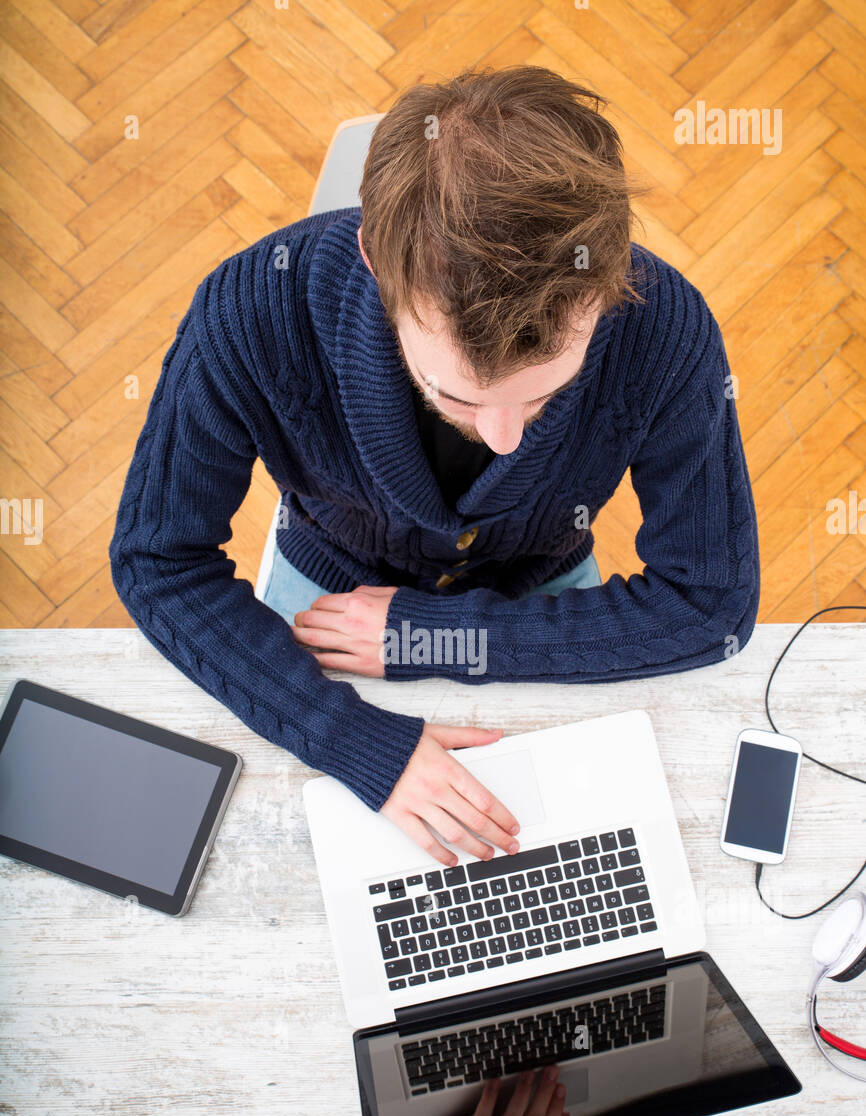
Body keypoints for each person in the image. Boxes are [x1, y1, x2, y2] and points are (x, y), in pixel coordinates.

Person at [109, 66, 759, 869]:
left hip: (538, 593)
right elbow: (157, 561)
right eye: (456, 393)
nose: (505, 439)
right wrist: (353, 740)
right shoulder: (248, 311)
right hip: (328, 592)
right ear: (378, 267)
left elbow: (712, 607)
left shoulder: (668, 328)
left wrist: (435, 639)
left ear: (609, 283)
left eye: (546, 394)